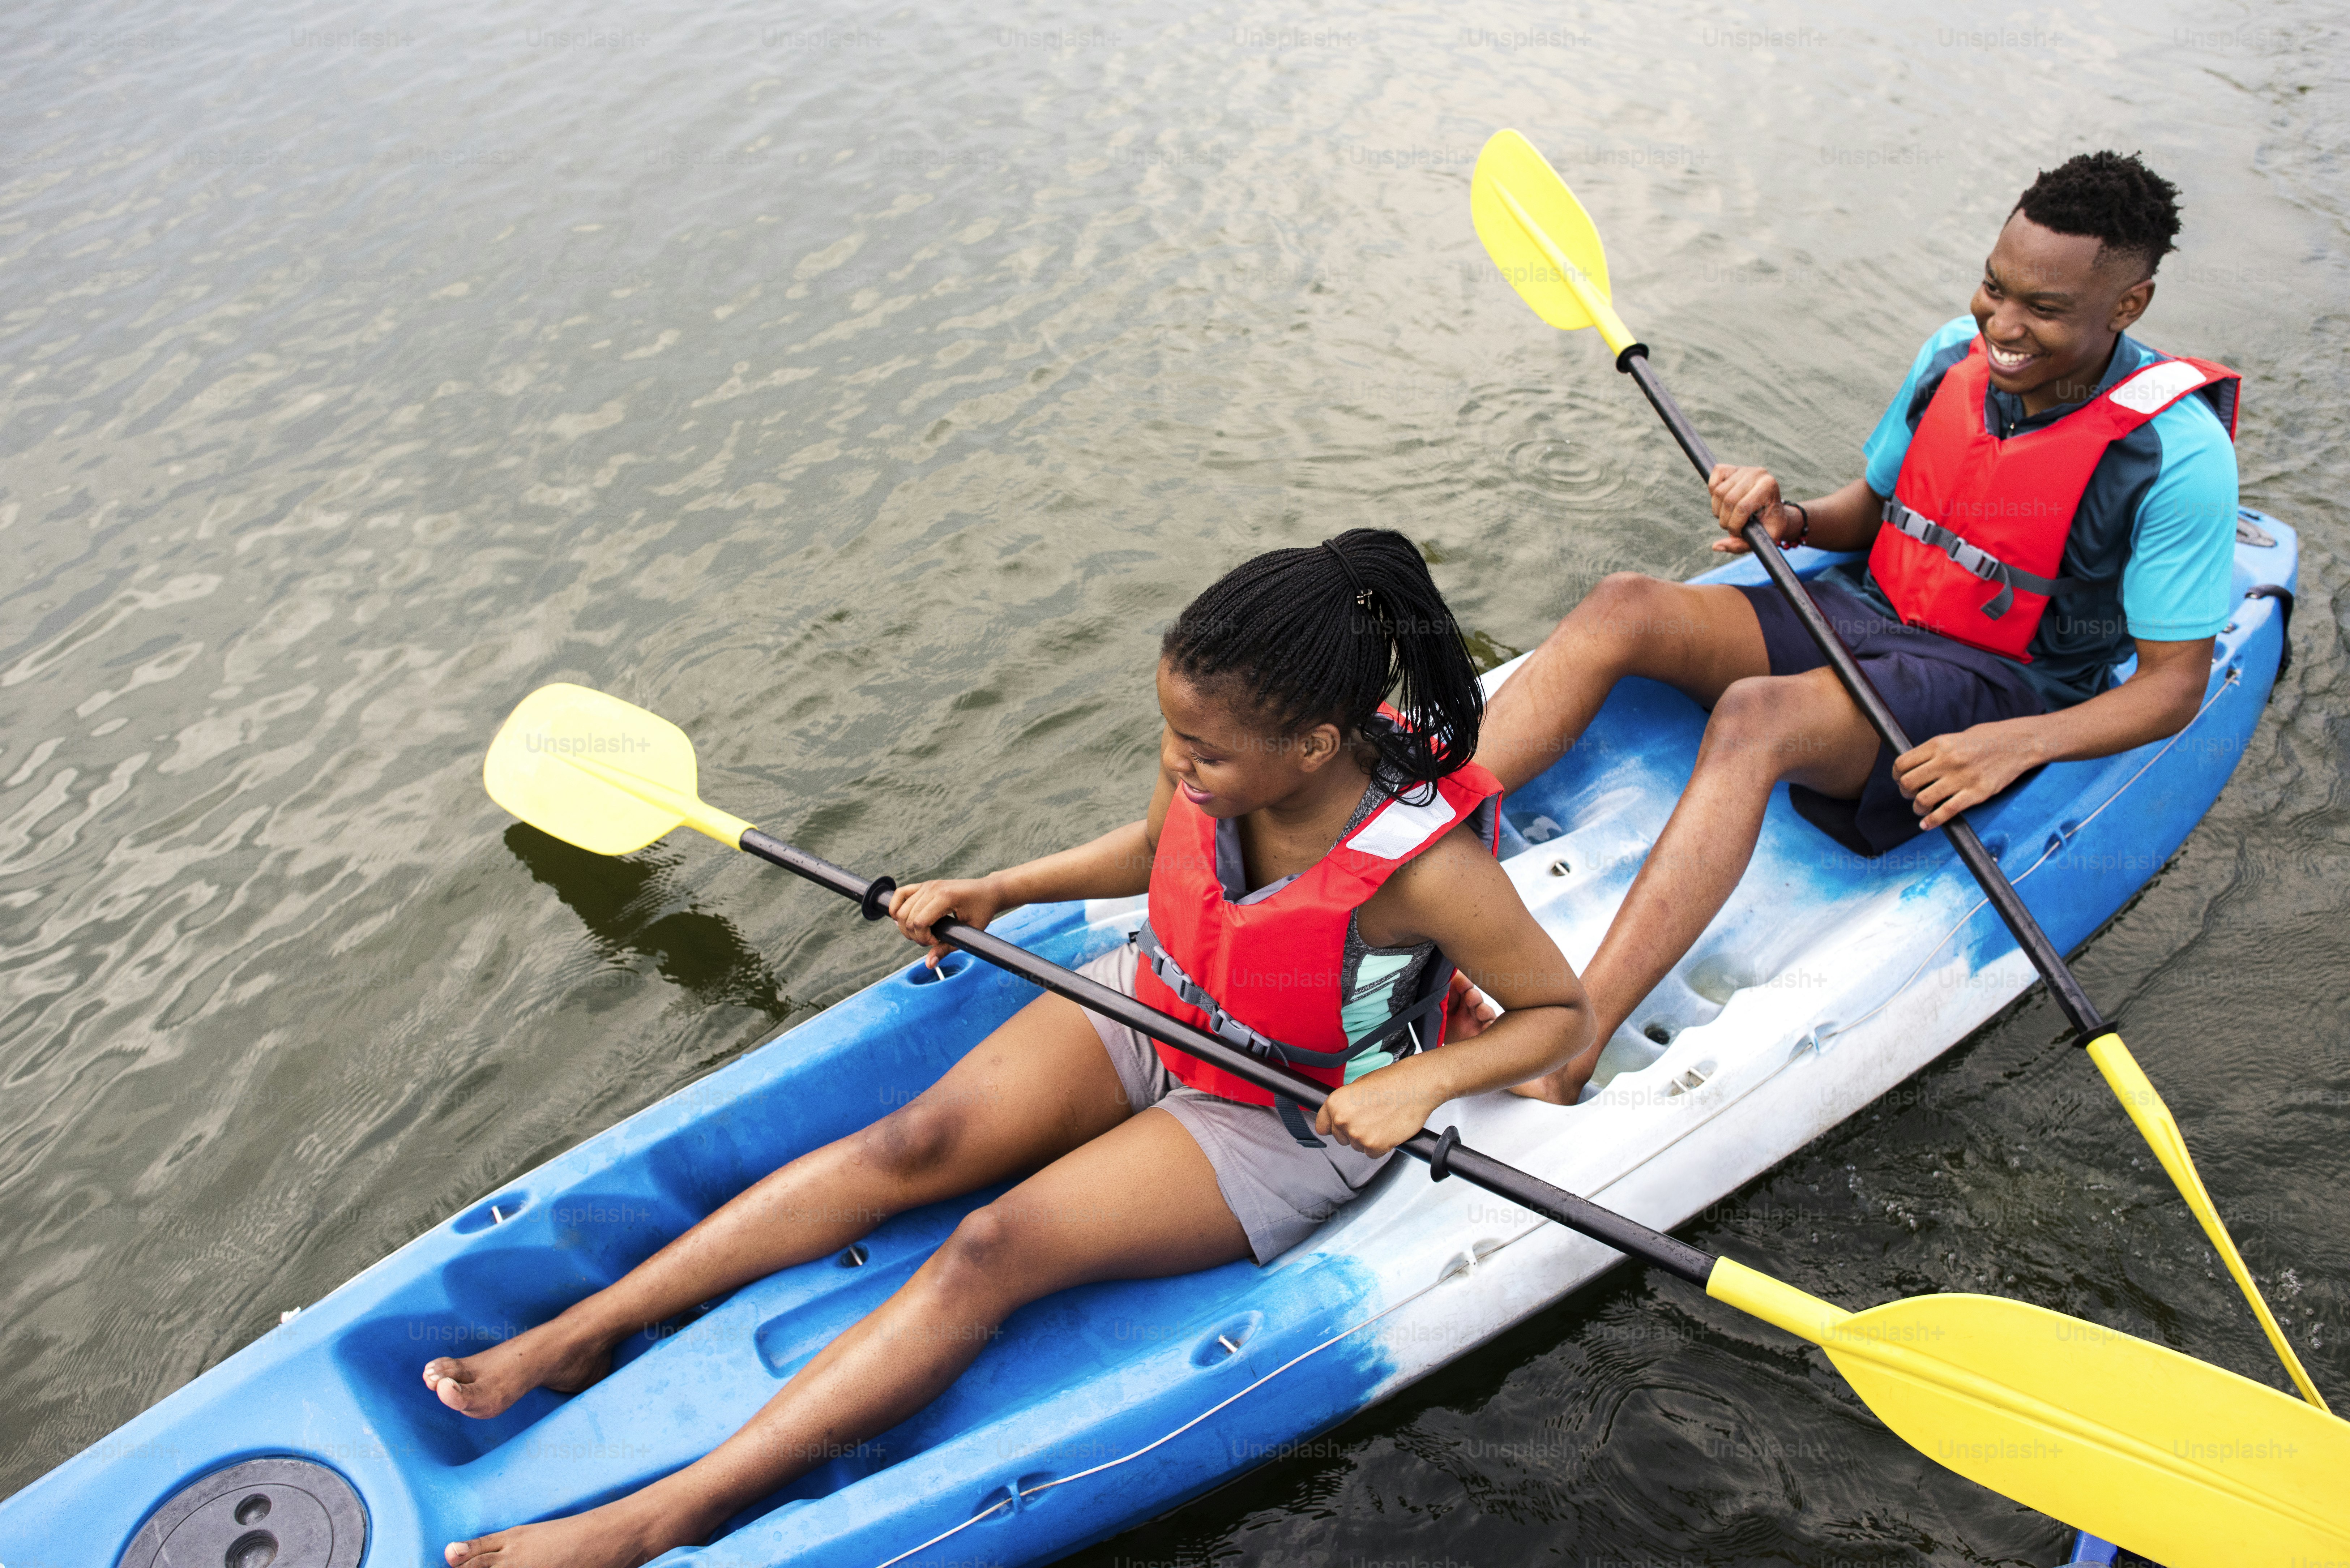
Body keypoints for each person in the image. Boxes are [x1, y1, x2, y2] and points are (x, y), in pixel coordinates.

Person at [427, 529, 1592, 1565]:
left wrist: (1423, 1084)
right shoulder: (1213, 749)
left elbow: (1558, 1012)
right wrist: (997, 886)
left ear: (1314, 745)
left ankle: (661, 1517)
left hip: (1287, 1110)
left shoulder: (1432, 871)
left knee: (995, 1243)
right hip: (1160, 1001)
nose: (1180, 765)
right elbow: (1153, 854)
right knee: (912, 1138)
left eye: (1204, 753)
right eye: (1171, 734)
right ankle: (587, 1332)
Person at [1480, 150, 2241, 1105]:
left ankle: (1564, 1050)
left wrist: (2014, 744)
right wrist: (1786, 517)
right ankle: (1390, 844)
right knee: (1626, 603)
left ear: (2127, 306)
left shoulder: (2178, 458)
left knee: (1758, 718)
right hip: (1865, 610)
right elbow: (1872, 510)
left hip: (1997, 677)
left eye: (2041, 310)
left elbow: (2172, 685)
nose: (2001, 327)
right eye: (1992, 289)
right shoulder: (1948, 359)